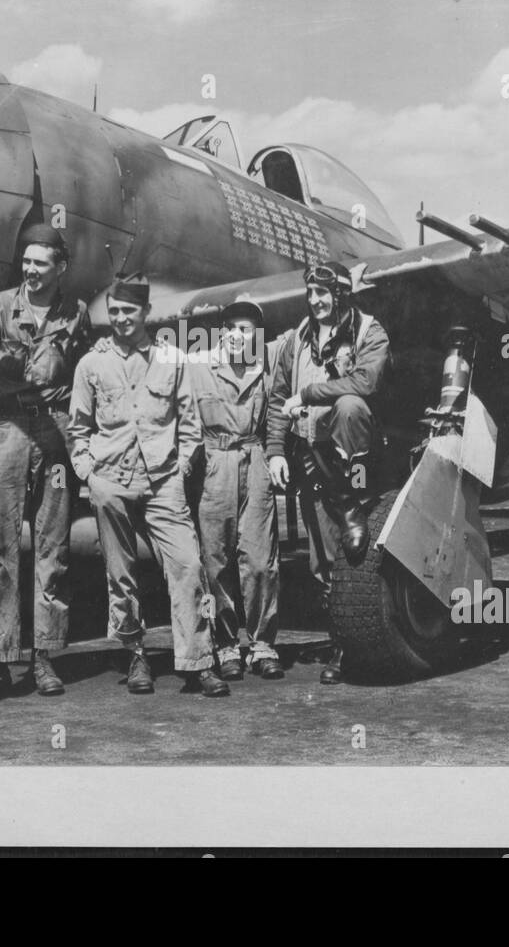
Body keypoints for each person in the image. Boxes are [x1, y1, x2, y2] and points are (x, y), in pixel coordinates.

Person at [68, 272, 229, 698]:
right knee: (120, 575)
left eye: (129, 311)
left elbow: (191, 427)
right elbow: (77, 429)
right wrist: (89, 476)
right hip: (111, 482)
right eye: (115, 311)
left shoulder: (172, 359)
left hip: (162, 482)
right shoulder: (92, 363)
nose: (120, 318)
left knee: (188, 567)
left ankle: (198, 661)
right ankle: (136, 654)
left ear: (146, 313)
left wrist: (178, 474)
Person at [0, 224, 90, 707]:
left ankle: (45, 657)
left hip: (55, 434)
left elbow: (84, 381)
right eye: (26, 262)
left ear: (61, 266)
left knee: (53, 550)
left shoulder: (76, 314)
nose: (31, 270)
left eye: (41, 263)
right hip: (5, 432)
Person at [266, 261, 391, 685]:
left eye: (324, 293)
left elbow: (366, 383)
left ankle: (354, 503)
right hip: (310, 456)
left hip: (355, 455)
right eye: (311, 293)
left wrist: (310, 393)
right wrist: (275, 452)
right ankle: (342, 645)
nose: (316, 301)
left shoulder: (369, 331)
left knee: (349, 404)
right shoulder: (295, 340)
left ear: (340, 294)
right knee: (323, 557)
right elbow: (280, 396)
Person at [186, 301, 283, 681]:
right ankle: (226, 645)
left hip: (254, 458)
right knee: (216, 560)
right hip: (214, 463)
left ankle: (262, 645)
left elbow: (277, 407)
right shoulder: (198, 367)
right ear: (221, 331)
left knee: (260, 559)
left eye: (247, 330)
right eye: (231, 328)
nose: (238, 336)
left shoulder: (267, 367)